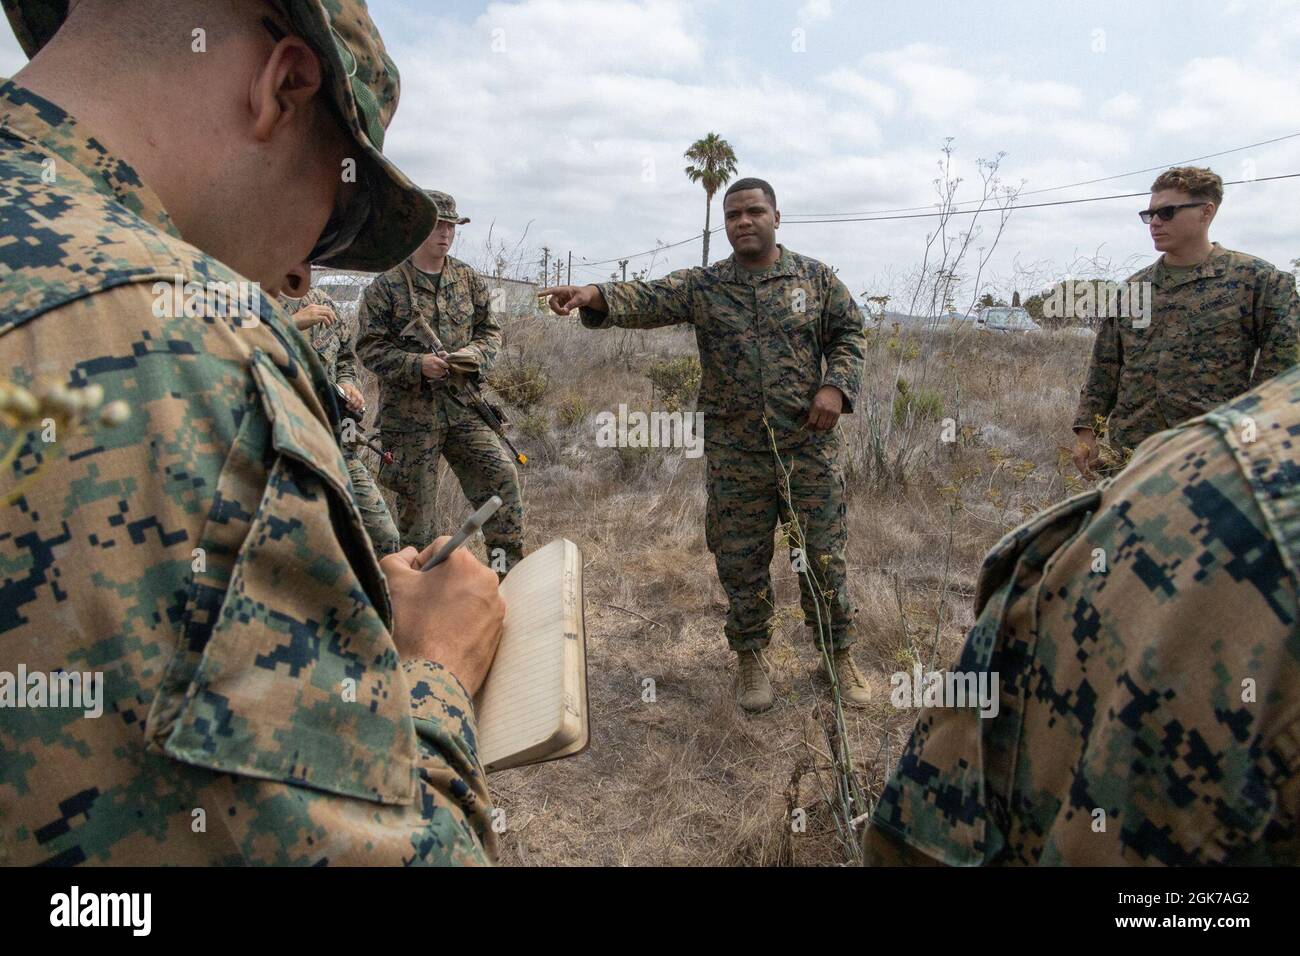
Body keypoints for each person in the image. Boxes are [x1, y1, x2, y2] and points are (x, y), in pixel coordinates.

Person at [0, 0, 504, 866]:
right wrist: (437, 669)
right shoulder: (176, 336)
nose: (309, 268)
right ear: (284, 85)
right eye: (339, 218)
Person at [864, 362, 1300, 865]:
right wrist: (1087, 431)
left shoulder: (1254, 289)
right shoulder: (1220, 508)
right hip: (1161, 470)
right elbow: (1104, 370)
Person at [542, 178, 869, 713]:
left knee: (821, 558)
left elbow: (850, 335)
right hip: (736, 453)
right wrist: (592, 294)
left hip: (807, 447)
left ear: (776, 217)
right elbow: (649, 297)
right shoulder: (707, 285)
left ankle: (838, 655)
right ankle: (751, 659)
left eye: (754, 212)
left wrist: (836, 386)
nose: (743, 221)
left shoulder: (815, 278)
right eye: (733, 214)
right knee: (741, 560)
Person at [1071, 165, 1299, 478]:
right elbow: (1105, 366)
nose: (1155, 223)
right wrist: (1086, 432)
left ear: (1207, 212)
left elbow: (1282, 372)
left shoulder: (1257, 282)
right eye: (1149, 214)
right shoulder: (1136, 289)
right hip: (1133, 458)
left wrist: (1252, 440)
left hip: (1215, 460)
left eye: (1167, 212)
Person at [356, 190, 525, 575]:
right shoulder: (387, 287)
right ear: (417, 227)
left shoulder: (468, 279)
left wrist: (474, 356)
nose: (445, 233)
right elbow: (368, 348)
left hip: (463, 409)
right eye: (437, 225)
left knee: (502, 479)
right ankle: (418, 600)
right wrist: (417, 365)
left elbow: (490, 330)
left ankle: (507, 576)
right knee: (418, 520)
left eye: (451, 225)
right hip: (409, 420)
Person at [279, 285, 401, 557]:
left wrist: (348, 384)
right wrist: (289, 324)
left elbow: (345, 357)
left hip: (336, 445)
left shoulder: (324, 302)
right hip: (282, 449)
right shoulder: (248, 296)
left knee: (385, 537)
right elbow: (225, 347)